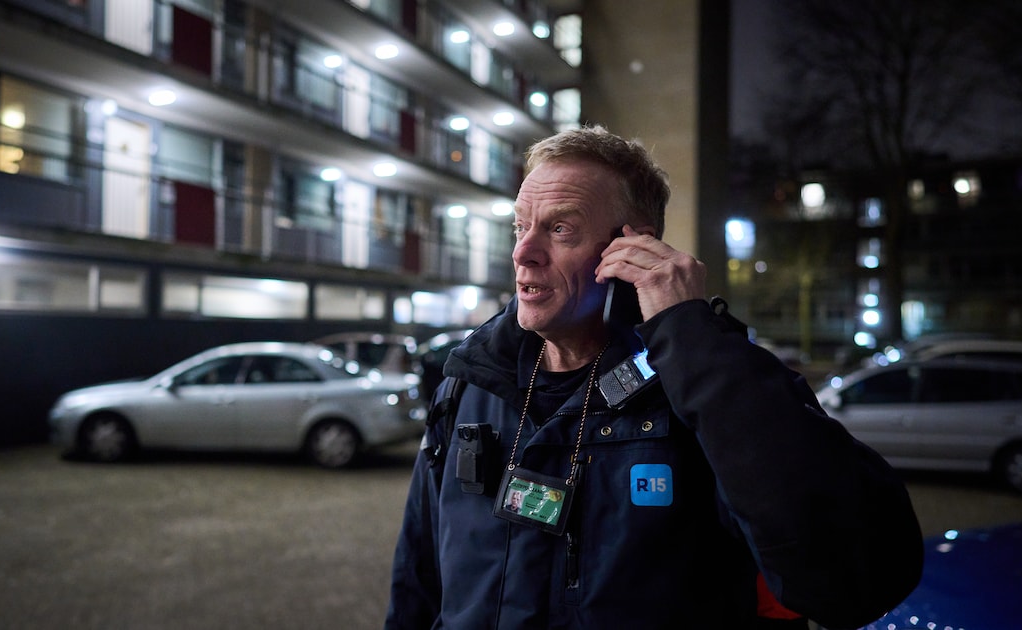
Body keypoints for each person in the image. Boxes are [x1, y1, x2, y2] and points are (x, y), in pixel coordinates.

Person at [385, 125, 923, 629]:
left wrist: (691, 336)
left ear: (631, 248)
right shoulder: (470, 382)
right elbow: (417, 578)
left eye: (560, 228)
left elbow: (852, 581)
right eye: (520, 226)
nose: (524, 252)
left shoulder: (705, 385)